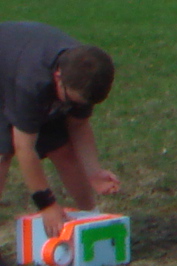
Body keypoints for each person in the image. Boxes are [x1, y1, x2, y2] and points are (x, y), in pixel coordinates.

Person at [1, 24, 118, 238]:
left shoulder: (86, 74)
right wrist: (46, 204)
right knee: (3, 154)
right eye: (71, 100)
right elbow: (24, 148)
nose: (75, 106)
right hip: (7, 76)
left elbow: (79, 125)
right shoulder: (32, 83)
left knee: (63, 149)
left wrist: (94, 172)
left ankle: (90, 220)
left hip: (32, 75)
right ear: (58, 77)